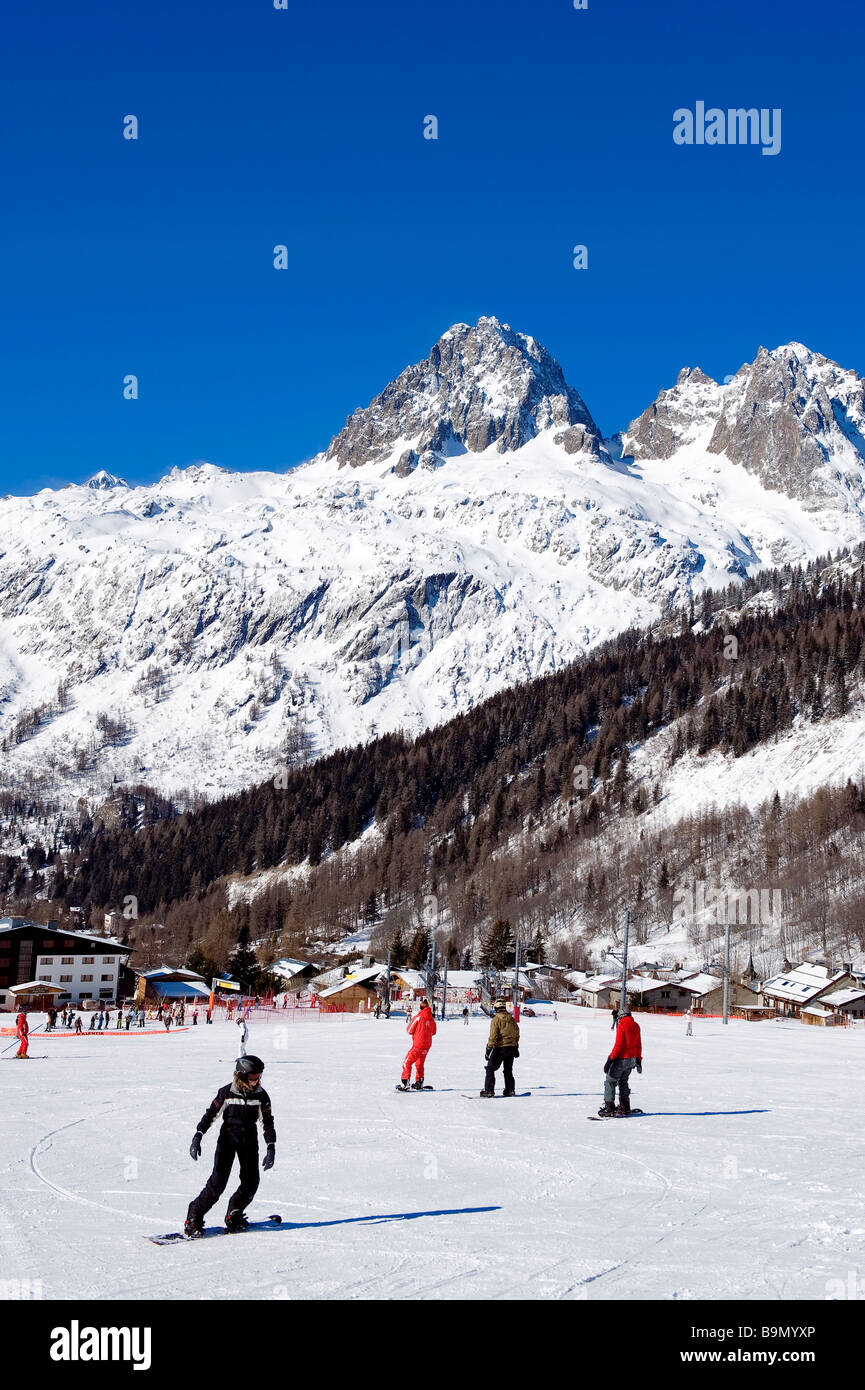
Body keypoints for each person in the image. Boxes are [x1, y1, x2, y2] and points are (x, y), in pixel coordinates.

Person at [185, 1054, 276, 1236]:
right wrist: (198, 1135)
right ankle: (194, 1216)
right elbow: (211, 1114)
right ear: (241, 1075)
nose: (256, 1080)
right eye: (252, 1077)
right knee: (217, 1184)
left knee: (251, 1183)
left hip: (249, 1143)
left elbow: (267, 1122)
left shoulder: (261, 1095)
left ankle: (234, 1213)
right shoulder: (226, 1093)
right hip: (227, 1141)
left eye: (259, 1076)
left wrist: (271, 1146)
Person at [599, 1004, 643, 1117]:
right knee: (623, 1081)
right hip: (632, 1059)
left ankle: (609, 1107)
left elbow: (619, 1045)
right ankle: (625, 1106)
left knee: (610, 1080)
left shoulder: (622, 1025)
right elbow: (639, 1044)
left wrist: (610, 1059)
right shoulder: (636, 1025)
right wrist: (638, 1059)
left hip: (622, 1059)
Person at [481, 997, 520, 1097]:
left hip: (500, 1047)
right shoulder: (511, 1019)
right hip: (511, 1047)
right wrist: (515, 1047)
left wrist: (488, 1049)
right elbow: (516, 1032)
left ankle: (489, 1090)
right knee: (508, 1070)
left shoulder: (496, 1019)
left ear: (496, 1008)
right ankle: (510, 1089)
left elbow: (493, 1035)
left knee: (490, 1068)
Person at [397, 998, 436, 1090]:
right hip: (427, 1045)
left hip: (418, 1044)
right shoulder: (431, 1018)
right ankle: (419, 1082)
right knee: (419, 1064)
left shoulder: (419, 1017)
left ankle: (405, 1083)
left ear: (421, 1007)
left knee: (407, 1063)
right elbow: (433, 1032)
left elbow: (409, 1030)